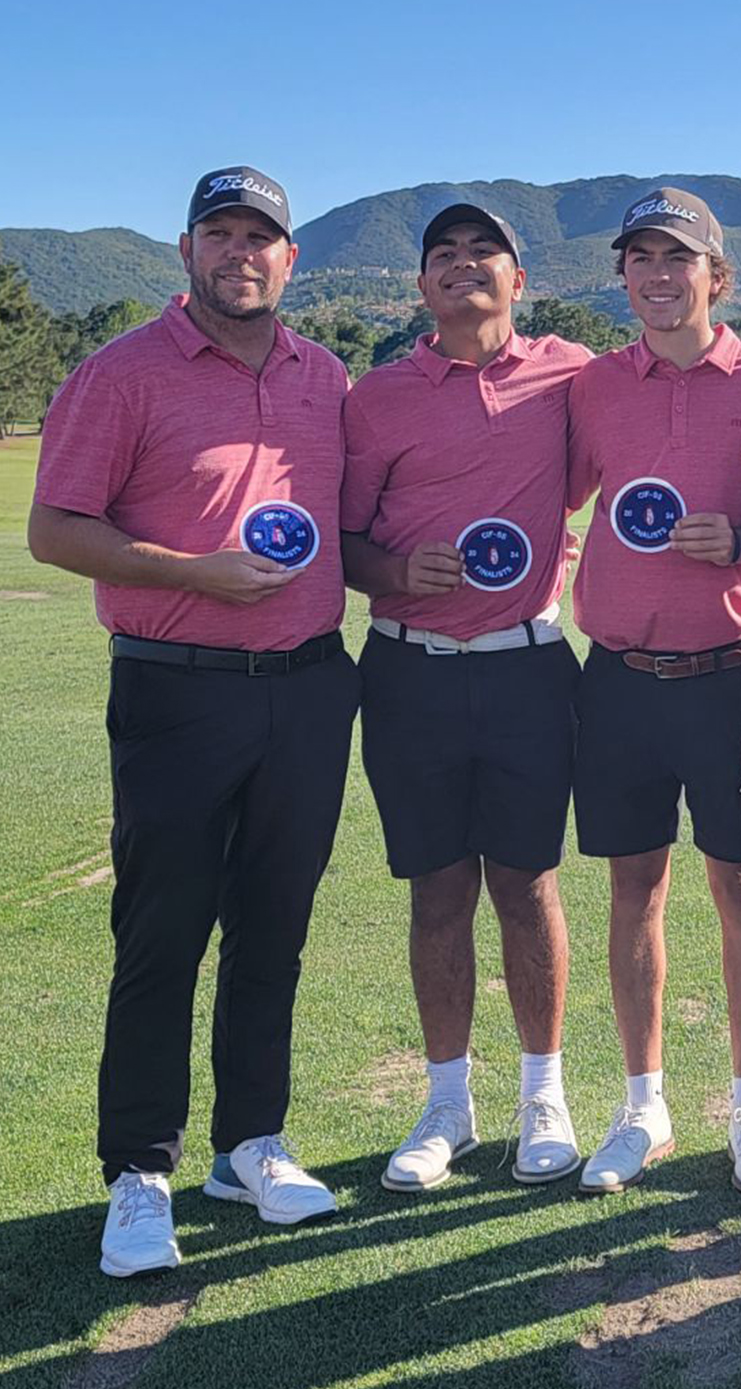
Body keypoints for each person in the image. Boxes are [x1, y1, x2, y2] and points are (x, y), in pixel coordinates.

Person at [28, 167, 358, 1275]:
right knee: (161, 930)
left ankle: (250, 1143)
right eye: (221, 234)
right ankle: (139, 1169)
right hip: (176, 686)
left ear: (290, 259)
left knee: (276, 923)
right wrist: (188, 573)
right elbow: (56, 528)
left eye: (261, 237)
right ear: (185, 250)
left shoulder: (325, 377)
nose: (242, 253)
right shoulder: (122, 371)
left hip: (311, 686)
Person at [564, 187, 741, 1194]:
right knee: (634, 893)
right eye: (641, 259)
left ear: (716, 277)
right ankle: (643, 1110)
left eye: (680, 259)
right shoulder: (592, 385)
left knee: (740, 889)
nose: (659, 276)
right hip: (618, 680)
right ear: (622, 275)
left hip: (729, 678)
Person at [340, 204, 591, 1190]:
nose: (461, 266)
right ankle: (447, 1104)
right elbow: (348, 545)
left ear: (518, 281)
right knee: (437, 891)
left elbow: (689, 392)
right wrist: (397, 568)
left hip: (528, 665)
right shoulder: (376, 397)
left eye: (482, 252)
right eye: (440, 255)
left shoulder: (573, 374)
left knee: (526, 887)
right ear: (420, 288)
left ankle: (543, 1097)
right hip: (407, 669)